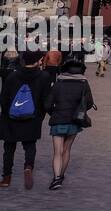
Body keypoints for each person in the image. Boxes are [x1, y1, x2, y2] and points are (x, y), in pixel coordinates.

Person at [44, 56, 95, 191]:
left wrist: (53, 112)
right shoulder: (84, 84)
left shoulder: (58, 83)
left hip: (58, 119)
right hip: (74, 120)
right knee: (66, 150)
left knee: (57, 152)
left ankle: (56, 178)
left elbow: (47, 104)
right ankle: (61, 176)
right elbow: (89, 103)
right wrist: (80, 110)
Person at [0, 50, 47, 190]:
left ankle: (6, 178)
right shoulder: (44, 77)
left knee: (8, 148)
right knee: (30, 146)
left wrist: (5, 114)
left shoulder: (12, 76)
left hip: (11, 117)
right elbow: (45, 100)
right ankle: (28, 167)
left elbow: (3, 98)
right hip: (32, 117)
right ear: (36, 61)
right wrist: (40, 116)